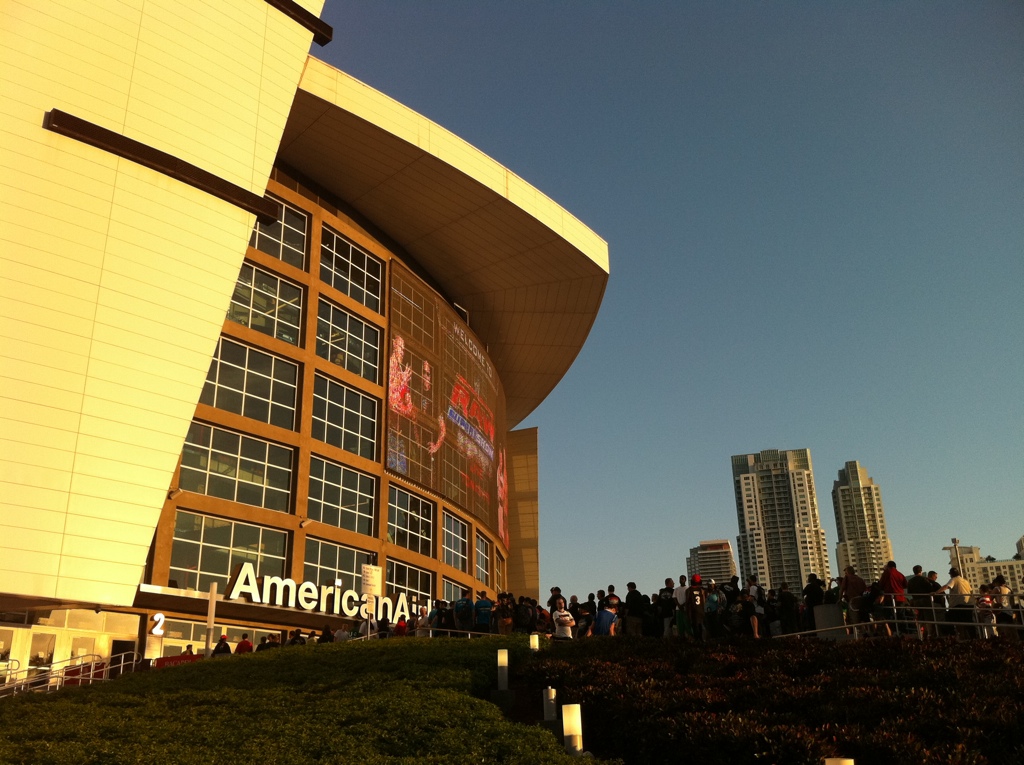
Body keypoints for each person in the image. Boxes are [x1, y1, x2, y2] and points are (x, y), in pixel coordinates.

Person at [934, 568, 974, 638]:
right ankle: (970, 637)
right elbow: (971, 591)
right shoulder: (965, 581)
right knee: (968, 622)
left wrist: (935, 593)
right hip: (968, 604)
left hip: (958, 604)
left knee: (949, 619)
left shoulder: (954, 579)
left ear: (951, 574)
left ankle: (952, 636)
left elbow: (946, 586)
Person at [685, 574, 707, 640]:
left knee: (695, 630)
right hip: (701, 612)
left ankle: (697, 643)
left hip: (693, 613)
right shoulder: (702, 590)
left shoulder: (689, 590)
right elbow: (704, 601)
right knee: (701, 629)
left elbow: (687, 602)